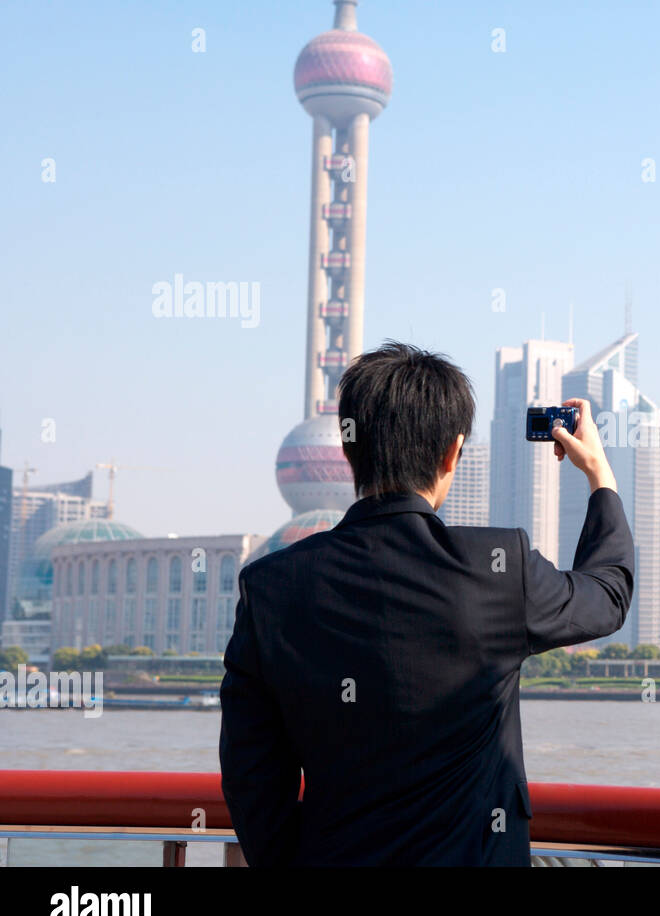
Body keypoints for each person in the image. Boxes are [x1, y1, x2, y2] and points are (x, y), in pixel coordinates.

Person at [219, 341, 634, 865]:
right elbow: (608, 594)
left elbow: (250, 776)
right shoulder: (498, 567)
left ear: (349, 450)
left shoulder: (271, 587)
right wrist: (600, 476)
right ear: (451, 453)